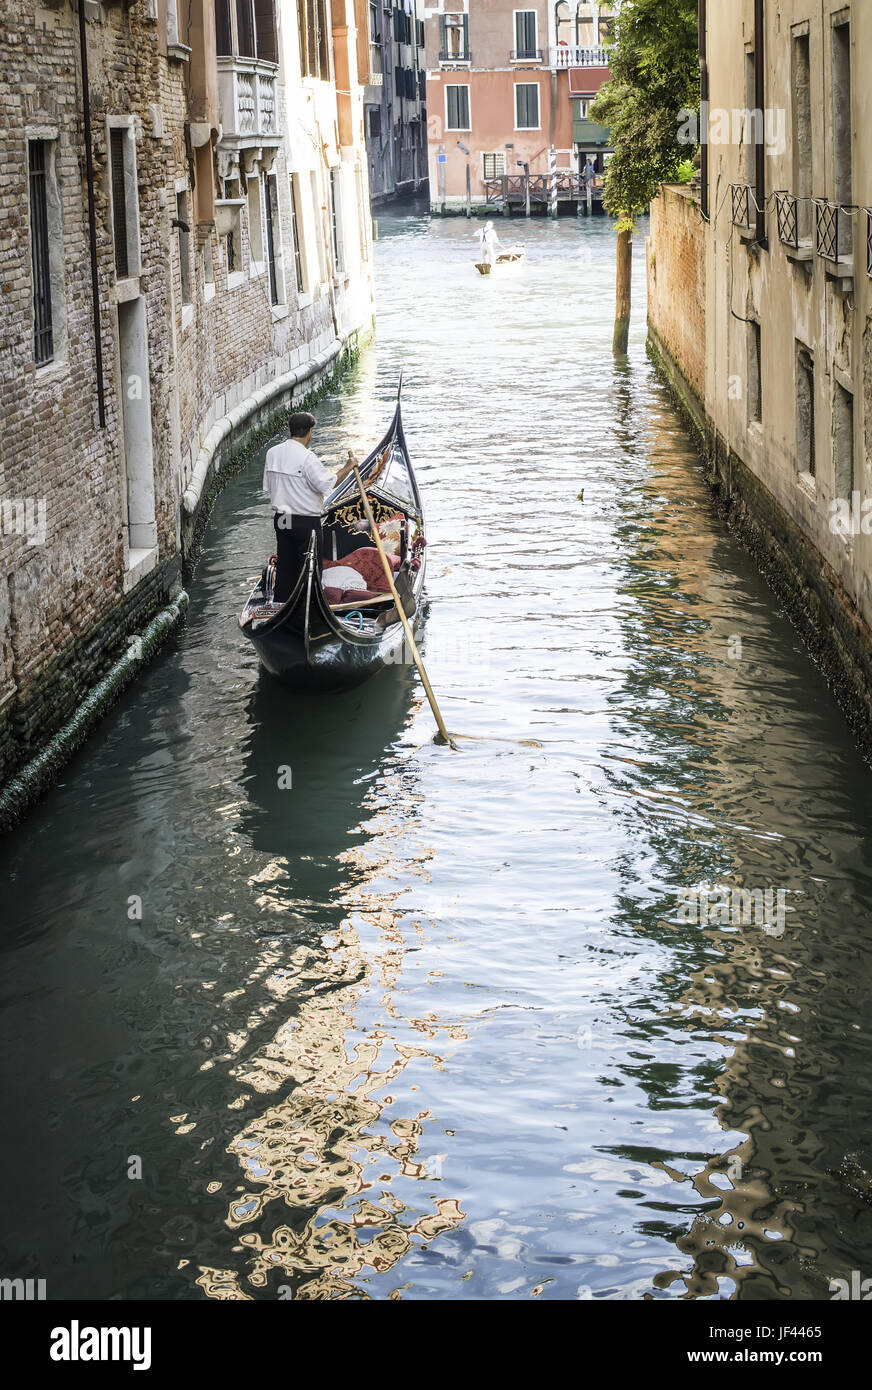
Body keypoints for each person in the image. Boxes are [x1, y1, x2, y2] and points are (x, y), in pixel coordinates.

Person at [262, 411, 355, 602]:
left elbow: (268, 487)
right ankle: (309, 604)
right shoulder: (307, 458)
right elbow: (327, 484)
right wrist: (349, 465)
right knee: (309, 565)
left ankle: (282, 602)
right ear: (309, 432)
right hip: (304, 521)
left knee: (286, 563)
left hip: (283, 517)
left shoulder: (272, 453)